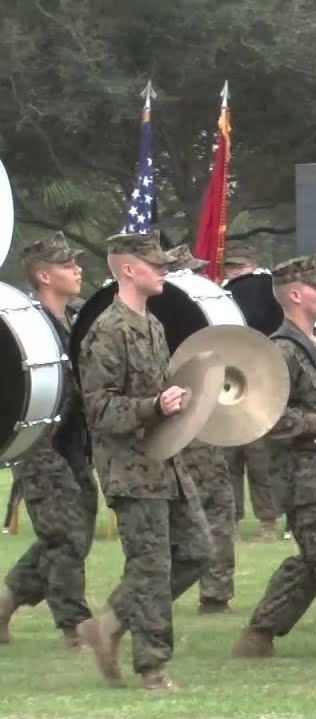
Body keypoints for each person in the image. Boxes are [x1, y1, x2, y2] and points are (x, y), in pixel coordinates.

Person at [75, 233, 212, 691]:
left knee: (196, 552)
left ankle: (111, 622)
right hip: (130, 469)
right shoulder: (107, 331)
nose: (165, 272)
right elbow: (98, 410)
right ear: (129, 269)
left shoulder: (151, 325)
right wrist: (155, 406)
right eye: (156, 265)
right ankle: (153, 669)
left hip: (163, 462)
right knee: (151, 568)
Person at [231, 256, 316, 657]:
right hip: (302, 474)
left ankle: (259, 634)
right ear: (294, 294)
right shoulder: (281, 350)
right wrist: (315, 424)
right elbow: (262, 413)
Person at [0, 234, 97, 650]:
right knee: (65, 538)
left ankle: (3, 603)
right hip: (41, 445)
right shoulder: (27, 323)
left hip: (75, 443)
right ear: (43, 275)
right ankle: (75, 627)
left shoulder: (76, 317)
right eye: (66, 265)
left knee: (75, 534)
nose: (77, 270)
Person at [166, 246, 237, 615]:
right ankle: (208, 592)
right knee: (199, 512)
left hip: (202, 422)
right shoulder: (174, 319)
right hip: (185, 426)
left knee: (217, 507)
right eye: (191, 271)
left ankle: (216, 591)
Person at [220, 240, 279, 539]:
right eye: (231, 266)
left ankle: (268, 521)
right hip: (225, 381)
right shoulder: (219, 297)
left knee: (260, 458)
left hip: (257, 381)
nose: (236, 271)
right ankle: (231, 521)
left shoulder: (267, 292)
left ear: (253, 266)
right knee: (229, 456)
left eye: (241, 266)